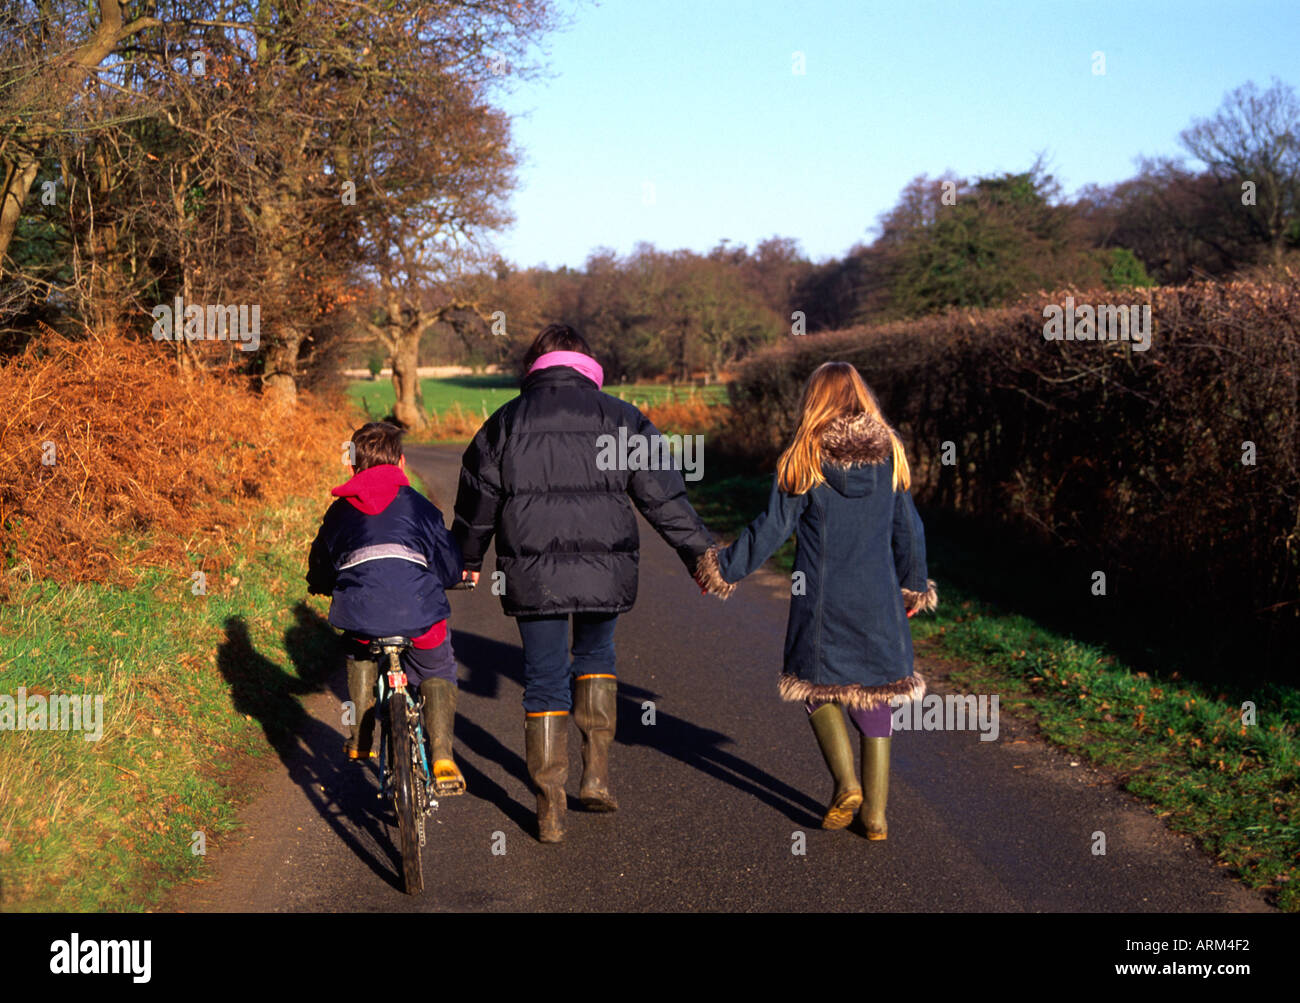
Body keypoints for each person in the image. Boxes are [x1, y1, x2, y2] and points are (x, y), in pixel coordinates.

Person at [453, 323, 718, 843]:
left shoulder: (504, 421)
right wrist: (698, 555)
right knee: (596, 657)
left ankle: (550, 808)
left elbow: (476, 502)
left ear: (535, 365)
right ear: (587, 364)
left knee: (544, 678)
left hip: (533, 575)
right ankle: (594, 777)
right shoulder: (622, 418)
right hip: (605, 568)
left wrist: (466, 558)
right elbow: (663, 498)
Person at [694, 362, 937, 839]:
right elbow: (910, 530)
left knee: (814, 684)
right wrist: (913, 584)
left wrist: (724, 569)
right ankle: (876, 815)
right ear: (862, 398)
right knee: (876, 695)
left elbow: (771, 528)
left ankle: (847, 784)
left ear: (815, 401)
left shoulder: (805, 455)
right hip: (880, 600)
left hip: (821, 600)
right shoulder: (890, 455)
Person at [307, 421, 468, 796]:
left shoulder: (339, 512)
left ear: (352, 466)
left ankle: (361, 734)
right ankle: (443, 756)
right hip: (419, 615)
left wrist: (319, 584)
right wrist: (452, 575)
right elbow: (446, 564)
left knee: (359, 649)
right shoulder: (421, 507)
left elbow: (321, 566)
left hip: (362, 618)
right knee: (437, 664)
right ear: (401, 462)